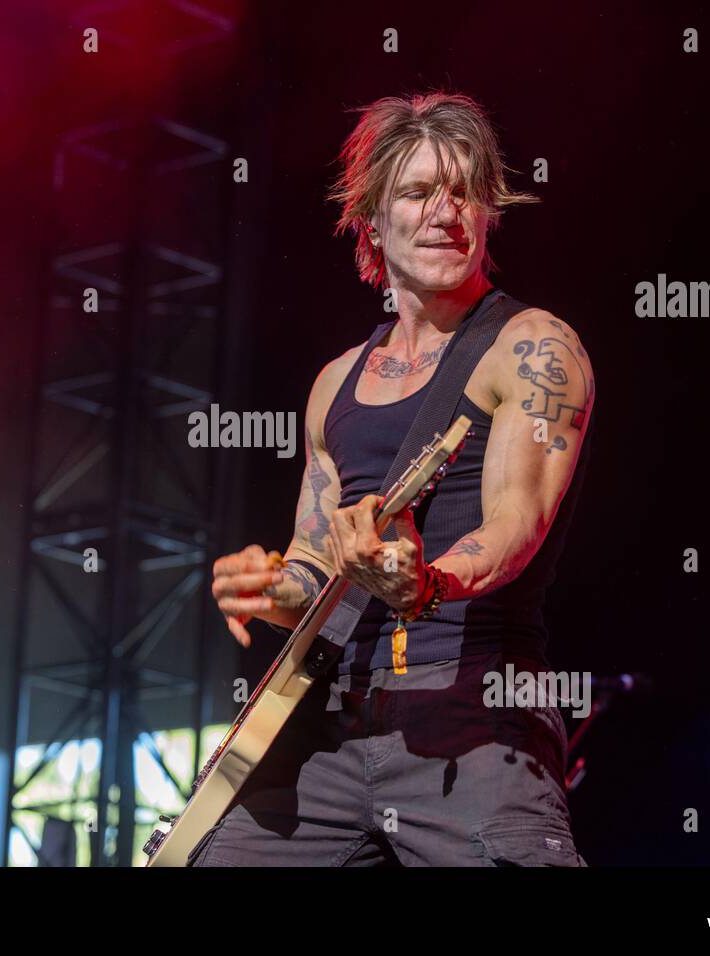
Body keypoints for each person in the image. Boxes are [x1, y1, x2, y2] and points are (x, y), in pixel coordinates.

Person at [193, 90, 595, 866]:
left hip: (472, 720)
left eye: (465, 192)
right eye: (418, 192)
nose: (447, 212)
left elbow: (516, 523)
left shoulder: (534, 346)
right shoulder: (335, 382)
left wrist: (429, 583)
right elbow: (316, 564)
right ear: (373, 218)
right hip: (327, 724)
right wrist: (272, 587)